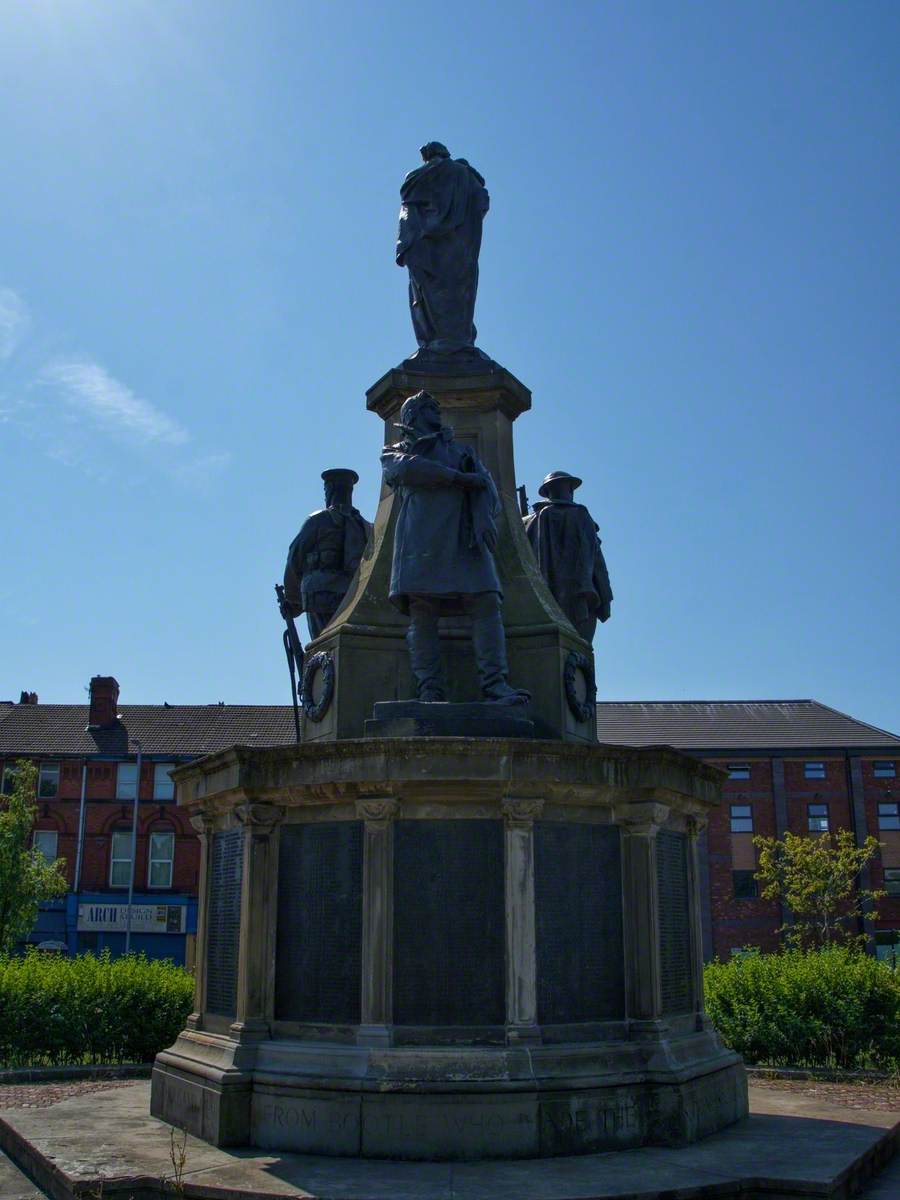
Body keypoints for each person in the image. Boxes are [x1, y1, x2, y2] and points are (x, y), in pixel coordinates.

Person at [381, 390, 529, 705]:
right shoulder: (396, 451)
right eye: (428, 407)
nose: (437, 410)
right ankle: (430, 689)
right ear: (413, 415)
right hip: (422, 541)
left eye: (436, 405)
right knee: (423, 612)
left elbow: (486, 485)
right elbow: (405, 470)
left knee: (488, 601)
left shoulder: (462, 451)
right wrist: (456, 478)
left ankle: (495, 685)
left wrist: (484, 517)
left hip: (466, 541)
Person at [396, 142, 490, 359]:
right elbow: (481, 204)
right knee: (460, 293)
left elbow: (407, 213)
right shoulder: (468, 177)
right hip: (461, 247)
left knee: (427, 294)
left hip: (425, 248)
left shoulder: (417, 178)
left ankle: (436, 340)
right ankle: (457, 340)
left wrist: (408, 244)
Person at [281, 469, 372, 640]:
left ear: (329, 491)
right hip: (354, 598)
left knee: (321, 647)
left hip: (320, 596)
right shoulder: (366, 526)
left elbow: (295, 556)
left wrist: (293, 601)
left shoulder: (317, 520)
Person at [525, 471, 613, 644]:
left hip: (542, 599)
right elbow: (597, 561)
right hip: (578, 594)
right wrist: (605, 595)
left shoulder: (529, 521)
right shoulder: (580, 515)